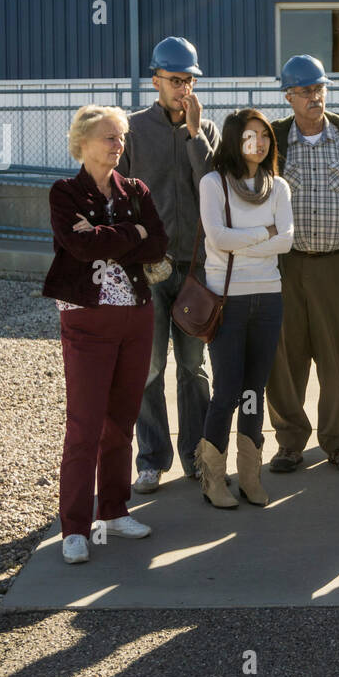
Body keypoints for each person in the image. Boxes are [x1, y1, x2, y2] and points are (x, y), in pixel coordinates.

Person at [42, 105, 169, 564]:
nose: (118, 145)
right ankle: (74, 526)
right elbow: (79, 246)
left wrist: (109, 232)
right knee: (84, 424)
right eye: (108, 138)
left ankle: (114, 510)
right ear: (83, 142)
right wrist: (129, 232)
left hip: (136, 315)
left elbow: (157, 242)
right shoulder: (64, 193)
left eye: (121, 137)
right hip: (86, 320)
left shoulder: (135, 189)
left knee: (122, 420)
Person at [265, 55, 339, 474]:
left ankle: (337, 440)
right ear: (289, 96)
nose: (315, 97)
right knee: (287, 357)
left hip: (338, 265)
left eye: (320, 89)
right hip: (286, 266)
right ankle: (290, 443)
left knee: (337, 358)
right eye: (306, 91)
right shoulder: (275, 138)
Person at [121, 36, 220, 495]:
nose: (184, 88)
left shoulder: (208, 129)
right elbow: (116, 198)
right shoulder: (133, 130)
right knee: (148, 367)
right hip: (148, 269)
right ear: (156, 80)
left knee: (193, 368)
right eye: (176, 80)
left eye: (190, 80)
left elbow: (212, 190)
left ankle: (197, 457)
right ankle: (152, 459)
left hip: (195, 267)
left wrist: (194, 134)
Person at [193, 110, 294, 509]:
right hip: (227, 299)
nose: (261, 142)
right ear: (235, 140)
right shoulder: (213, 183)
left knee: (254, 390)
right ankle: (213, 479)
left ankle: (250, 476)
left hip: (269, 297)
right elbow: (217, 238)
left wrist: (246, 239)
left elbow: (286, 241)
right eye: (251, 136)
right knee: (228, 390)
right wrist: (263, 233)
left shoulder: (279, 187)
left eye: (265, 135)